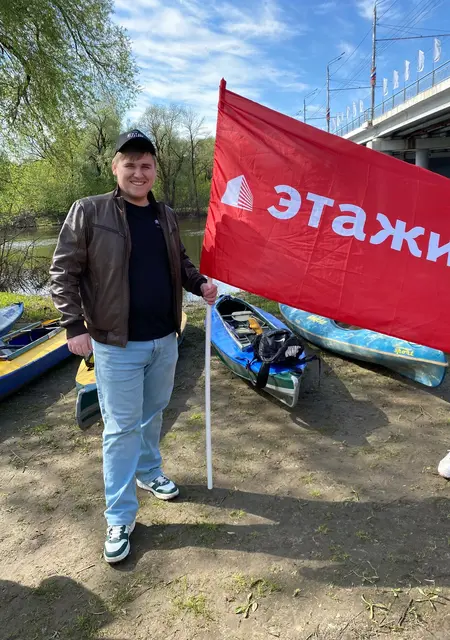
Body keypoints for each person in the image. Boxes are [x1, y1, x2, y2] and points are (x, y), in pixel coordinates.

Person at [50, 129, 217, 563]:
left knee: (153, 412)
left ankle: (148, 471)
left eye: (146, 165)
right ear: (115, 168)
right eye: (130, 165)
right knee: (121, 428)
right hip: (115, 344)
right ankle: (120, 516)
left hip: (165, 339)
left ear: (155, 170)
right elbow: (63, 272)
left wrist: (199, 283)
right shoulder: (89, 211)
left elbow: (180, 261)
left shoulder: (166, 214)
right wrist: (74, 326)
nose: (138, 173)